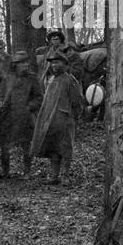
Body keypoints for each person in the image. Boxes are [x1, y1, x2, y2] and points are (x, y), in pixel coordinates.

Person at [30, 52, 84, 184]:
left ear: (65, 64)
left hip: (65, 120)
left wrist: (73, 118)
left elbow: (77, 102)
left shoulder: (70, 80)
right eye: (53, 62)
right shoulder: (51, 80)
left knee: (65, 148)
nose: (54, 65)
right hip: (51, 121)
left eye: (57, 62)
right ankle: (54, 176)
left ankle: (65, 175)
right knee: (53, 148)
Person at [0, 50, 43, 178]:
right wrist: (0, 103)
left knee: (26, 146)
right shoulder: (7, 79)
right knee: (5, 146)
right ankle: (5, 172)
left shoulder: (32, 79)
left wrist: (29, 107)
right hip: (8, 118)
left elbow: (39, 98)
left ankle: (27, 171)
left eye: (26, 62)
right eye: (22, 63)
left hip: (25, 118)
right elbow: (0, 96)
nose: (26, 65)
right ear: (15, 64)